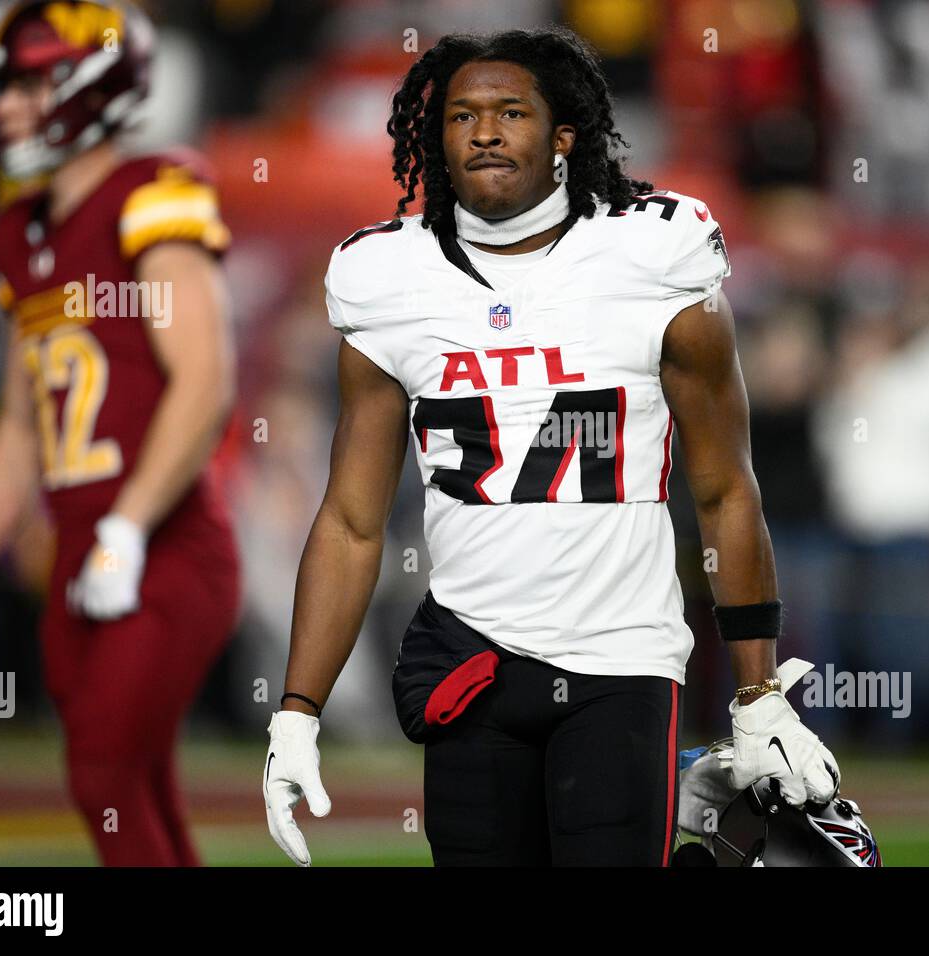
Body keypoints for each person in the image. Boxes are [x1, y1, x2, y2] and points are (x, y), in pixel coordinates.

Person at [262, 27, 840, 867]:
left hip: (621, 659)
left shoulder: (651, 252)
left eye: (510, 112)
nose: (484, 132)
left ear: (563, 134)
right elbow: (351, 520)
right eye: (462, 115)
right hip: (471, 661)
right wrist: (297, 710)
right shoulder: (387, 278)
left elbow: (725, 490)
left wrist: (757, 694)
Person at [0, 0, 240, 866]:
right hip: (78, 553)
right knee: (132, 785)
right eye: (6, 85)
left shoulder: (152, 194)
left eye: (30, 82)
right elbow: (26, 425)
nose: (3, 105)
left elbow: (205, 383)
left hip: (167, 546)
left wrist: (127, 525)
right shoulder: (19, 230)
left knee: (103, 775)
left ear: (88, 82)